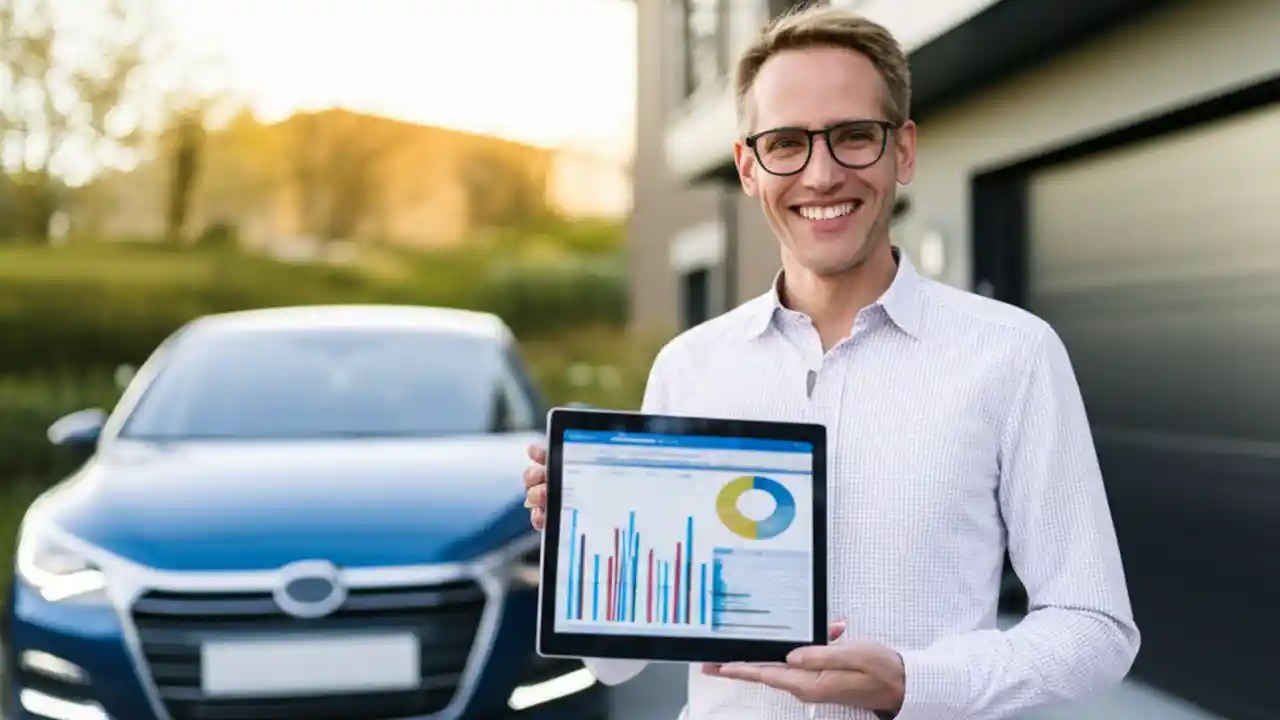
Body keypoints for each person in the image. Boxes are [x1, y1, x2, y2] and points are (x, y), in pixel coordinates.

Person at [522, 5, 1140, 718]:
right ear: (748, 167)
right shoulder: (690, 366)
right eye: (786, 143)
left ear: (903, 151)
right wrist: (582, 538)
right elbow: (614, 663)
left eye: (853, 136)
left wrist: (913, 682)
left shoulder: (1012, 354)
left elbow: (1095, 627)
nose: (821, 175)